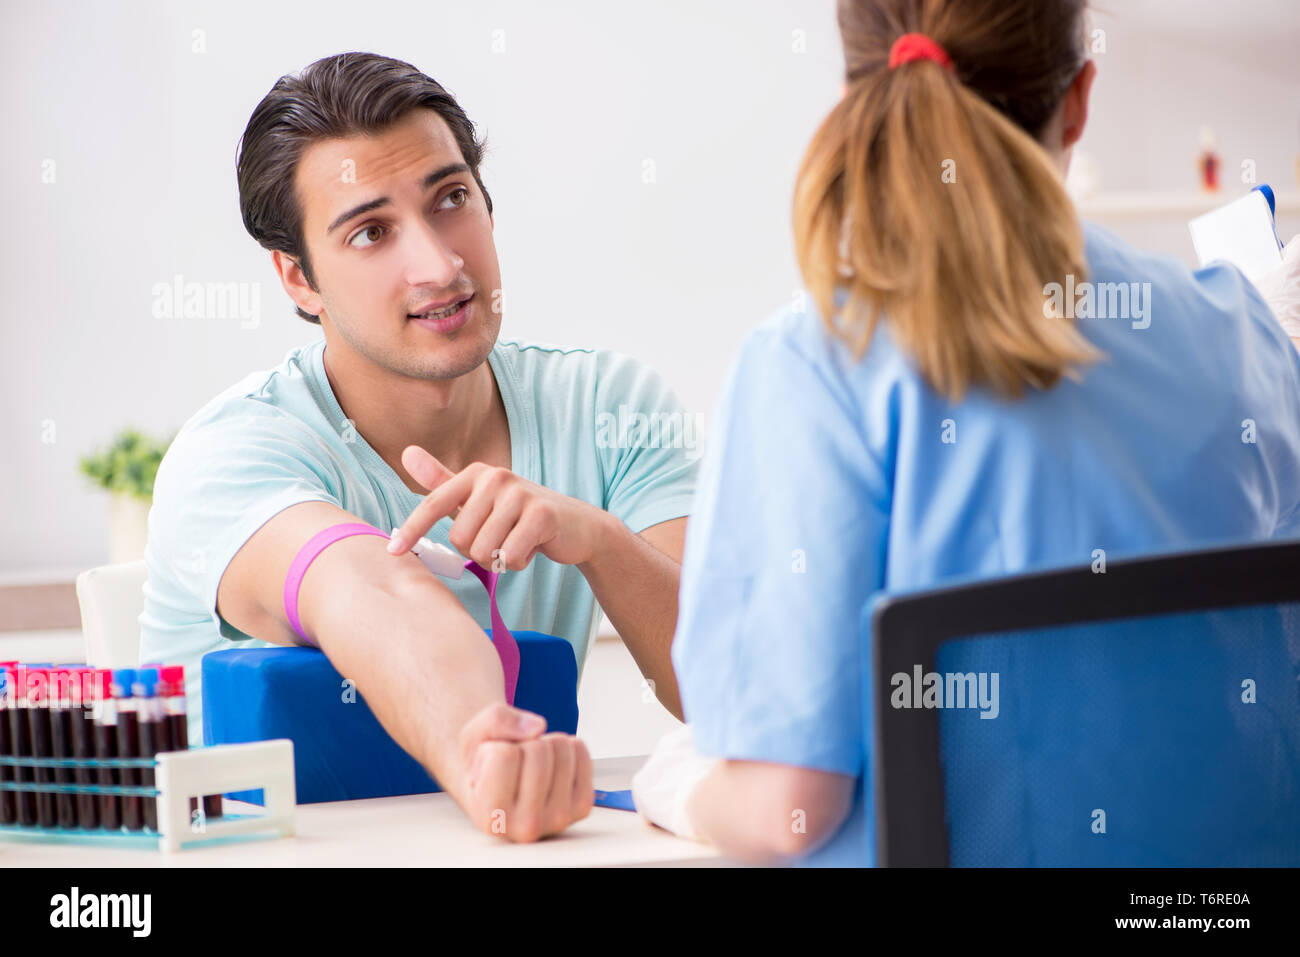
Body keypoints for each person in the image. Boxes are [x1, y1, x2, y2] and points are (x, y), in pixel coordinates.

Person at [631, 0, 1300, 865]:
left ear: (851, 95)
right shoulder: (1239, 331)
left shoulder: (813, 366)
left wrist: (683, 785)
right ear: (1079, 100)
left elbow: (782, 810)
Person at [140, 53, 699, 843]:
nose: (440, 265)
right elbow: (371, 590)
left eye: (451, 199)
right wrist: (483, 747)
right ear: (299, 279)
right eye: (371, 231)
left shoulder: (611, 408)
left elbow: (735, 691)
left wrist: (600, 541)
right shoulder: (233, 452)